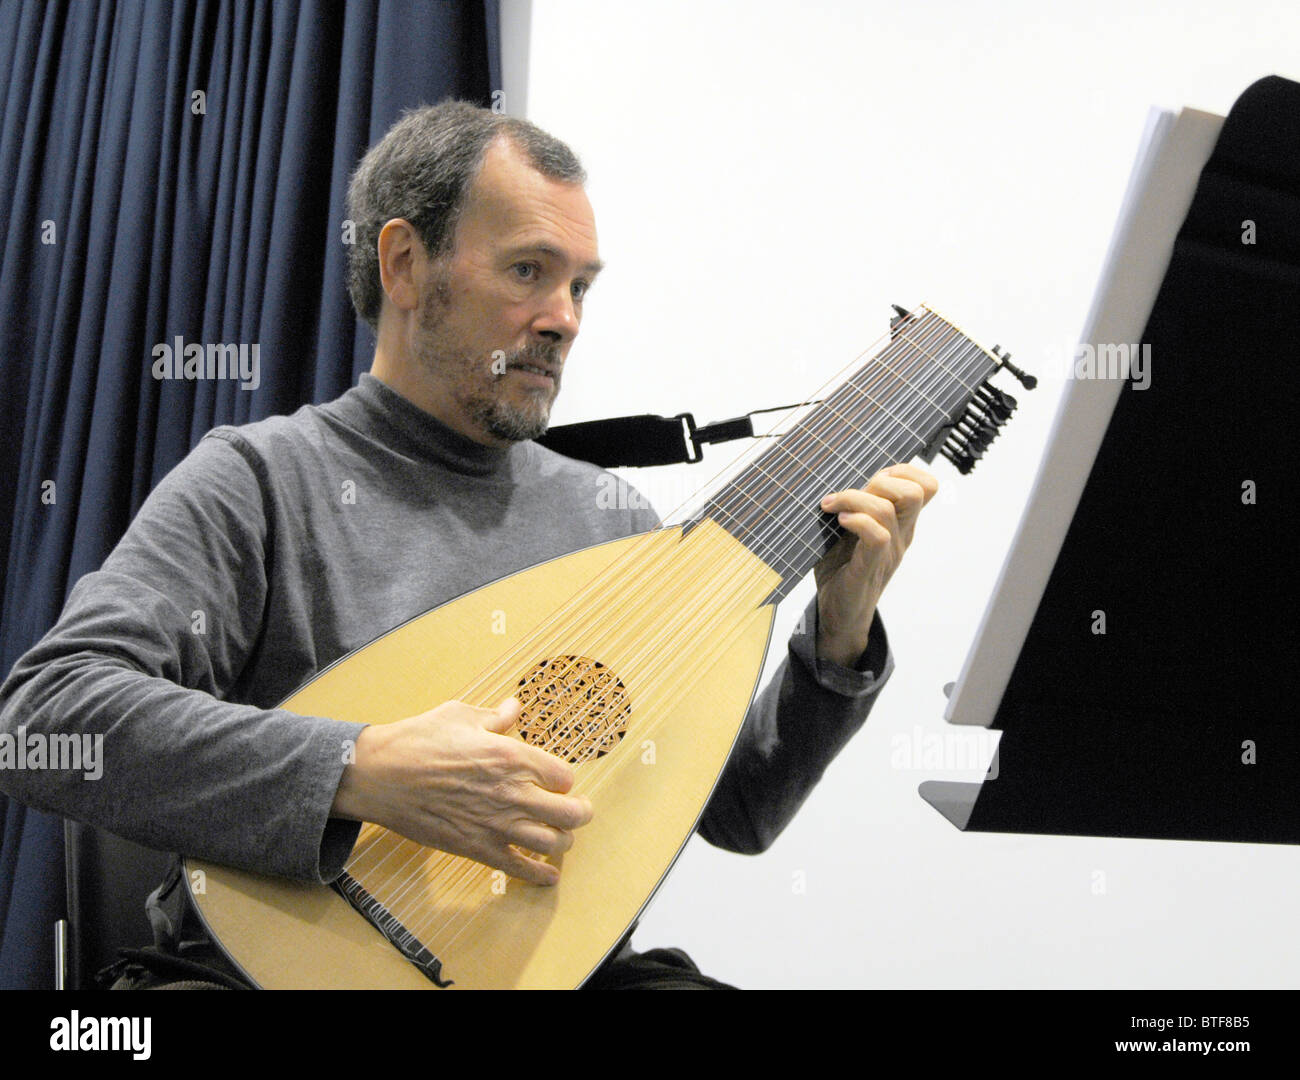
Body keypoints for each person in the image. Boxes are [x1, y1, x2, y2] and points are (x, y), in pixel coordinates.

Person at [0, 101, 937, 989]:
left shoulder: (614, 524)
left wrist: (840, 635)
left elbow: (735, 810)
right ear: (405, 265)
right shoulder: (260, 481)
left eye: (580, 286)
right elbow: (45, 719)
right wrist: (358, 770)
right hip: (264, 971)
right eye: (528, 270)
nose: (564, 316)